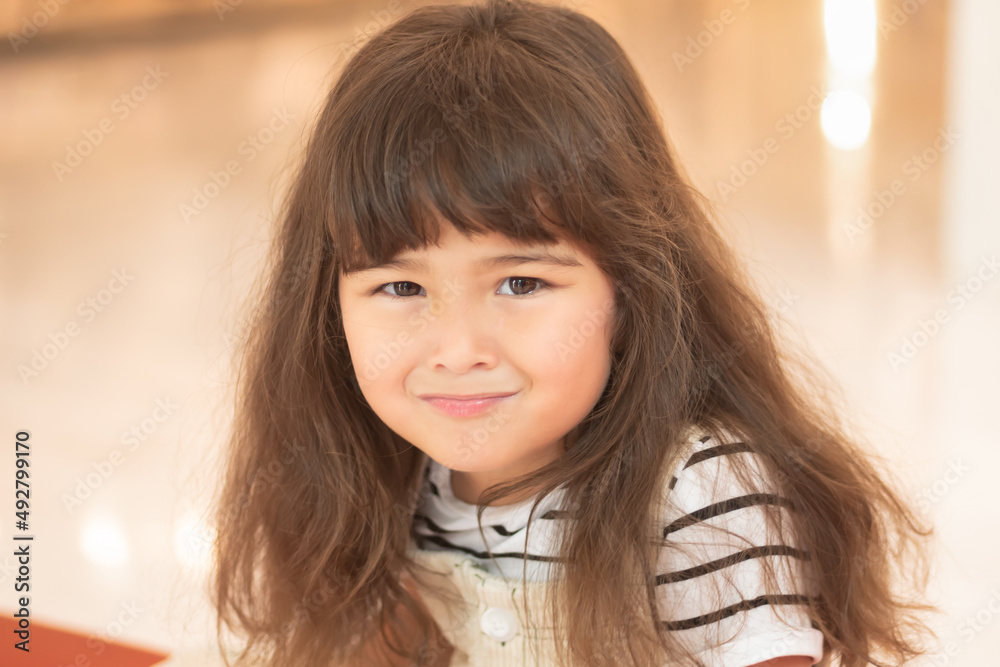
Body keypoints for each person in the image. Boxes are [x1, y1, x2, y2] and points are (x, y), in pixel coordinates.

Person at [210, 1, 937, 665]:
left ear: (631, 285)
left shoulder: (698, 494)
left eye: (521, 284)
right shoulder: (393, 474)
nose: (459, 350)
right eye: (401, 287)